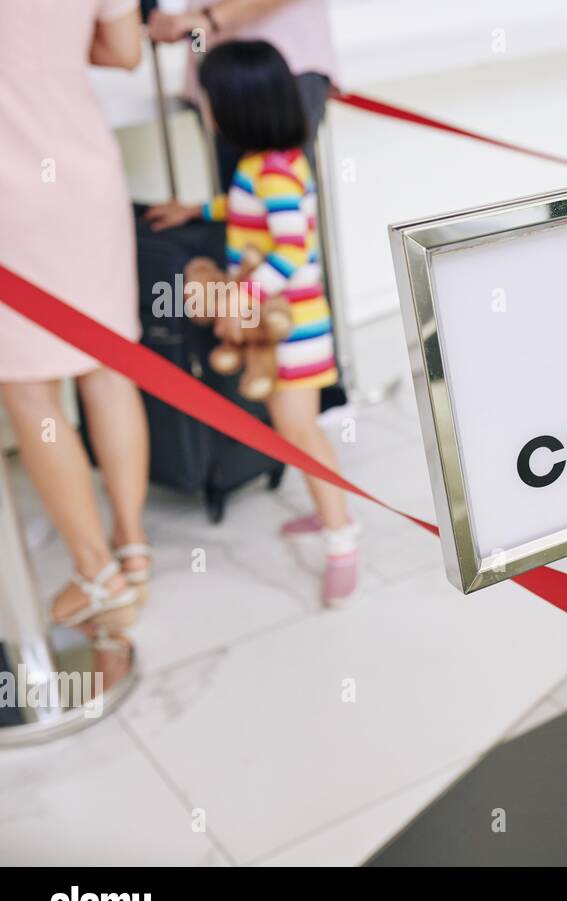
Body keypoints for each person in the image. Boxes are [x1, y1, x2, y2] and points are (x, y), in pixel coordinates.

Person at [146, 41, 359, 607]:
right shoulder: (264, 165)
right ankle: (328, 507)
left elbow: (291, 248)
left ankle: (342, 540)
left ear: (238, 106)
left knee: (300, 431)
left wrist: (241, 297)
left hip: (295, 329)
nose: (203, 108)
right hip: (280, 325)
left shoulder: (274, 174)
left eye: (208, 99)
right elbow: (244, 209)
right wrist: (199, 210)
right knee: (296, 427)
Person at [0, 0, 152, 630]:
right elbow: (125, 51)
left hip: (10, 196)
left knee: (30, 389)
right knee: (108, 367)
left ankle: (97, 573)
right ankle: (131, 547)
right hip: (84, 175)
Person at [145, 0, 336, 188]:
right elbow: (199, 33)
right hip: (212, 66)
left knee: (277, 182)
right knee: (241, 189)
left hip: (276, 68)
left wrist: (209, 18)